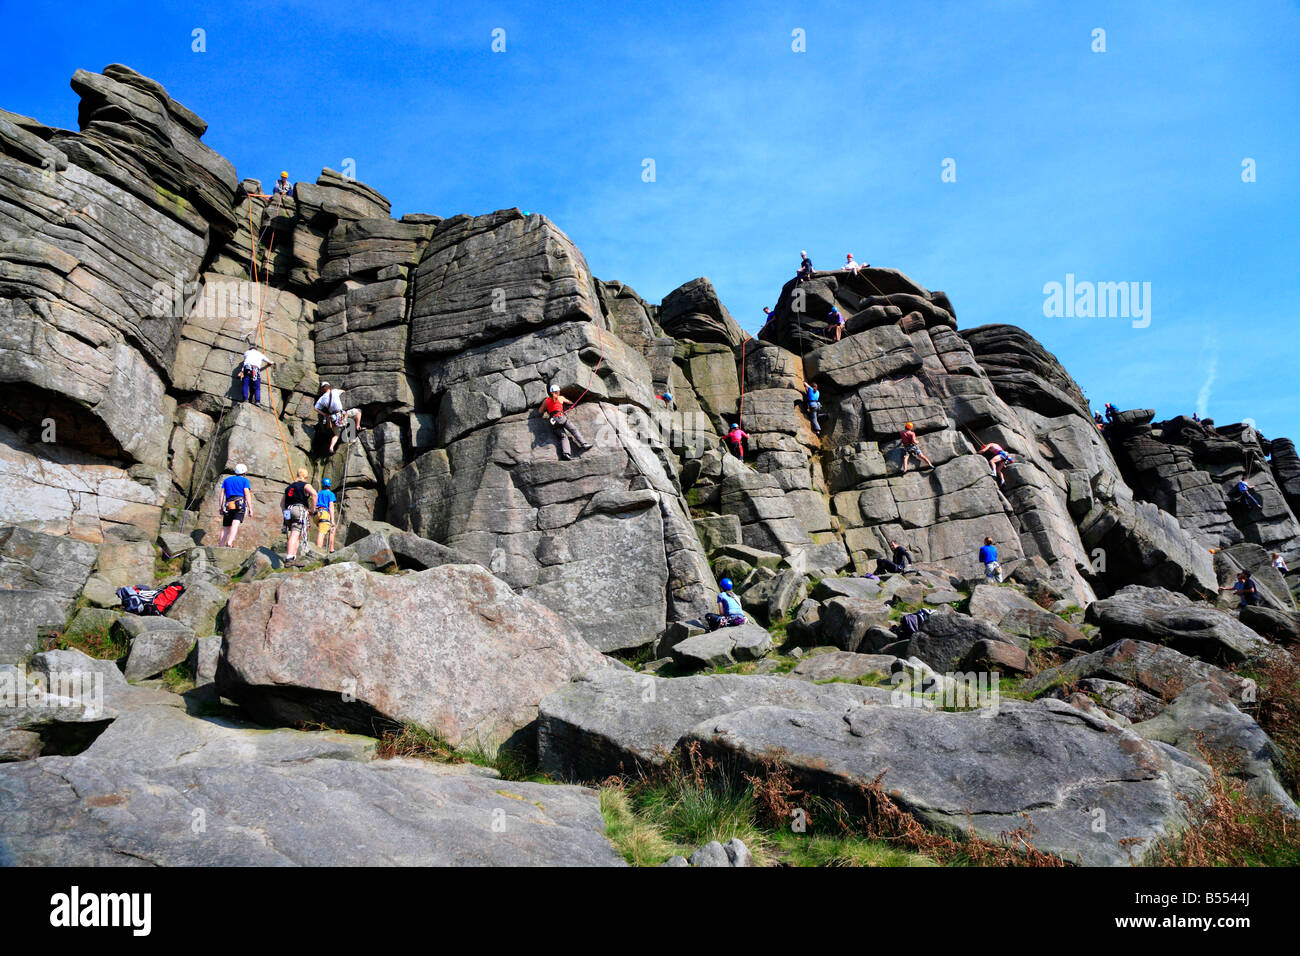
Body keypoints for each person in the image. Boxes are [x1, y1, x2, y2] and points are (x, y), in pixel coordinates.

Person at [538, 384, 592, 461]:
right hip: (561, 418)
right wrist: (571, 403)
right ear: (558, 392)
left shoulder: (546, 401)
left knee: (563, 437)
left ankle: (566, 453)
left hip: (553, 421)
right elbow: (570, 402)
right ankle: (584, 444)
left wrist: (548, 409)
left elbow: (540, 411)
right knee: (573, 430)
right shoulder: (560, 398)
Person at [281, 468, 317, 566]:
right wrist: (312, 509)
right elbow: (314, 494)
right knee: (295, 533)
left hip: (288, 510)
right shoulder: (305, 485)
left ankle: (293, 557)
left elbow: (282, 504)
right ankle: (289, 557)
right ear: (306, 476)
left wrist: (286, 515)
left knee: (296, 533)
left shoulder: (289, 487)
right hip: (299, 510)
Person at [314, 382, 362, 454]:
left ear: (322, 389)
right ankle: (357, 427)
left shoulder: (322, 399)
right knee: (358, 411)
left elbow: (315, 408)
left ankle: (331, 448)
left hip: (333, 418)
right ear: (329, 387)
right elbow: (343, 391)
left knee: (336, 435)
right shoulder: (335, 391)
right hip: (342, 415)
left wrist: (324, 414)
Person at [217, 464, 253, 548]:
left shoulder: (227, 480)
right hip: (239, 503)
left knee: (225, 527)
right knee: (235, 523)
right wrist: (250, 508)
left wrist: (220, 506)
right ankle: (229, 543)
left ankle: (221, 545)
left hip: (228, 504)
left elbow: (222, 493)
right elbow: (247, 494)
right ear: (244, 472)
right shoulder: (245, 481)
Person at [314, 477, 338, 553]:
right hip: (324, 513)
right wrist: (333, 521)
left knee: (331, 529)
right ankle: (319, 551)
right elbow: (331, 507)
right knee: (323, 532)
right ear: (330, 486)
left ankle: (331, 548)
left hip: (316, 515)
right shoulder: (330, 494)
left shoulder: (318, 493)